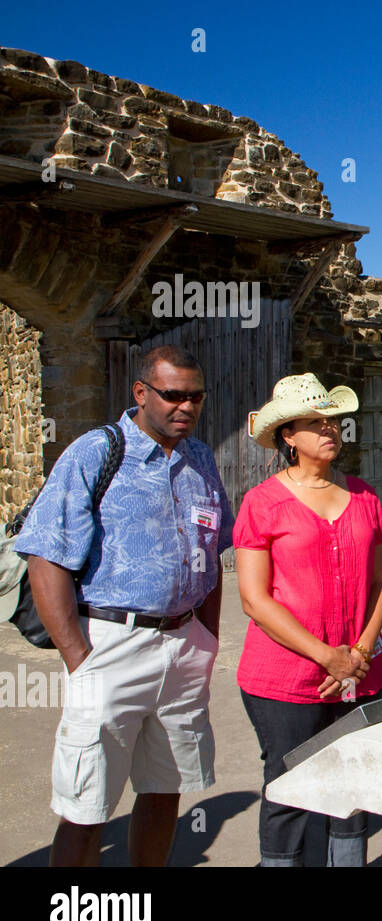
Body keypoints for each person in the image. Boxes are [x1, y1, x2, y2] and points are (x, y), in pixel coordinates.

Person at [15, 345, 232, 866]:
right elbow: (46, 557)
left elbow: (211, 554)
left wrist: (206, 639)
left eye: (195, 396)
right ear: (141, 393)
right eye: (173, 395)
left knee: (165, 788)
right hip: (110, 645)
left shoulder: (200, 458)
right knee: (87, 805)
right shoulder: (96, 452)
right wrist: (78, 659)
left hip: (182, 646)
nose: (186, 407)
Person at [236, 373, 382, 866]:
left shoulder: (366, 497)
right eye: (315, 423)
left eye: (333, 421)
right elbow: (254, 600)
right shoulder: (261, 504)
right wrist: (327, 656)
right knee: (291, 787)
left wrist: (360, 652)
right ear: (288, 436)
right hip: (284, 677)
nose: (330, 430)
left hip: (360, 673)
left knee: (351, 781)